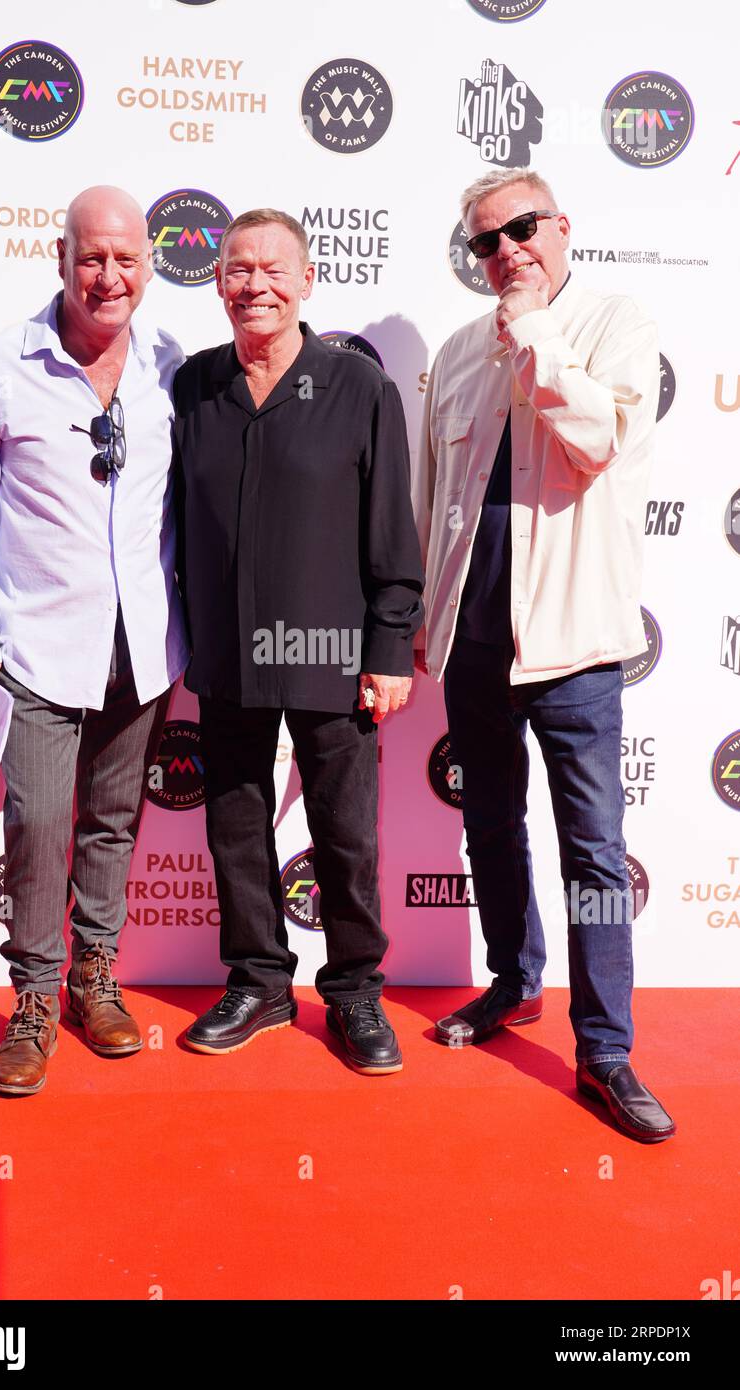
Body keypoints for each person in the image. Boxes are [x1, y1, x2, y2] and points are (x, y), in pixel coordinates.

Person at [412, 167, 675, 1141]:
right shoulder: (451, 350)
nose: (504, 250)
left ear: (560, 227)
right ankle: (511, 982)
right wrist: (420, 619)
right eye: (484, 241)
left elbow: (592, 443)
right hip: (473, 641)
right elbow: (430, 494)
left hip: (572, 646)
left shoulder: (612, 324)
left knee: (593, 851)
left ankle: (604, 1049)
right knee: (487, 822)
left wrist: (532, 330)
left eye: (519, 228)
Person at [0, 186, 188, 1096]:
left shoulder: (171, 363)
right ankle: (35, 1000)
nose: (109, 275)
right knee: (40, 825)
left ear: (151, 264)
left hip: (147, 642)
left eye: (127, 258)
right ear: (60, 258)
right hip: (38, 643)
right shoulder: (0, 364)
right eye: (93, 256)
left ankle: (95, 977)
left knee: (113, 824)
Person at [172, 208, 423, 1074]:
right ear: (218, 284)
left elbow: (393, 535)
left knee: (345, 836)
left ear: (308, 280)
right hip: (229, 656)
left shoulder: (359, 389)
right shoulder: (194, 387)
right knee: (236, 827)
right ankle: (260, 982)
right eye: (238, 270)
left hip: (332, 656)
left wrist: (391, 649)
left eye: (274, 269)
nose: (256, 286)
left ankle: (354, 991)